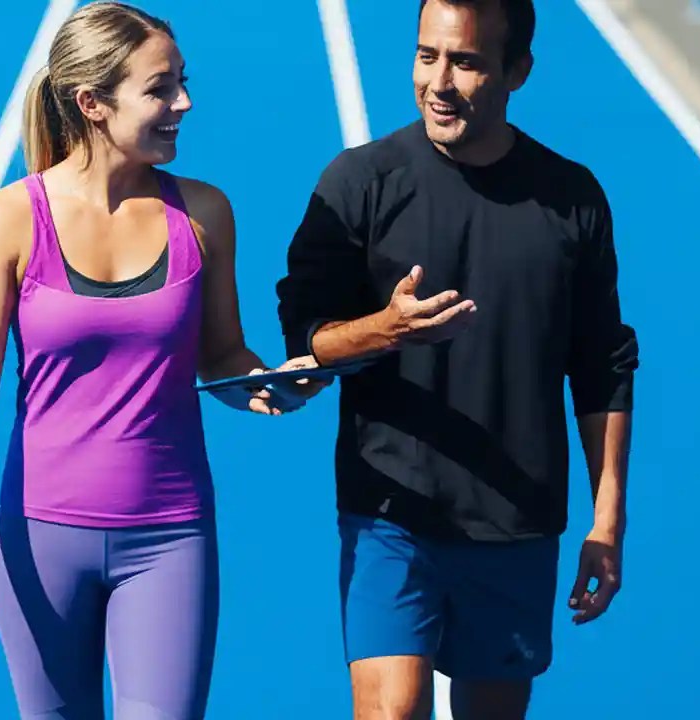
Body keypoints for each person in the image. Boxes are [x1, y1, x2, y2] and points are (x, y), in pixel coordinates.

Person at [0, 3, 303, 718]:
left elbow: (220, 357)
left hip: (171, 537)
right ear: (93, 103)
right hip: (39, 541)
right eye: (160, 89)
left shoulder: (205, 214)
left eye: (182, 82)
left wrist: (269, 382)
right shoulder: (7, 219)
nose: (183, 102)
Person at [275, 0, 640, 718]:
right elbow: (305, 340)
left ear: (518, 72)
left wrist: (608, 522)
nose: (438, 81)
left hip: (516, 519)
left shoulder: (572, 200)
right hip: (390, 511)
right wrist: (385, 330)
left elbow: (603, 366)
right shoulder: (358, 183)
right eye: (426, 55)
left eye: (466, 61)